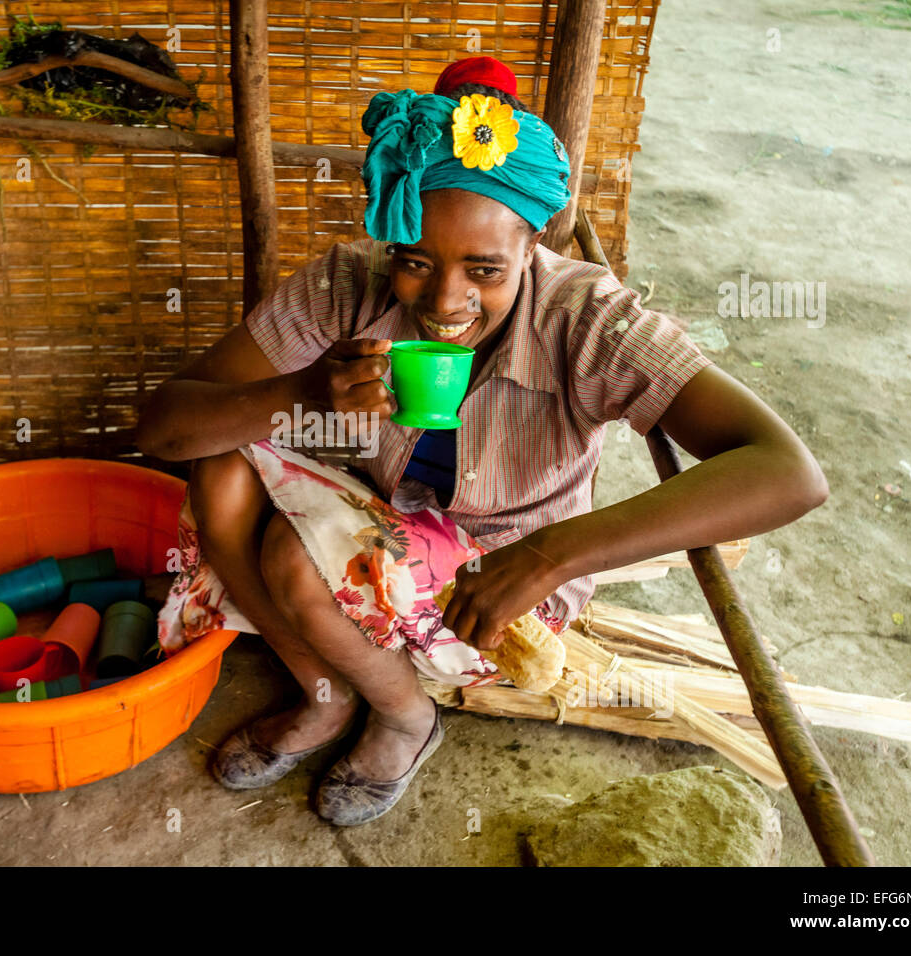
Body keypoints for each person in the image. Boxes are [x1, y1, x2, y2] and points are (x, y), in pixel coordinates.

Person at [137, 56, 828, 826]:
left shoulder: (586, 320)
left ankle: (404, 718)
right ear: (391, 240)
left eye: (485, 270)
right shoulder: (349, 285)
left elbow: (788, 472)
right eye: (415, 262)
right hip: (380, 517)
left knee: (293, 560)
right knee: (220, 460)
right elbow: (166, 426)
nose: (444, 301)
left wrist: (548, 556)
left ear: (534, 242)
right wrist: (299, 391)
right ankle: (324, 695)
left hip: (500, 578)